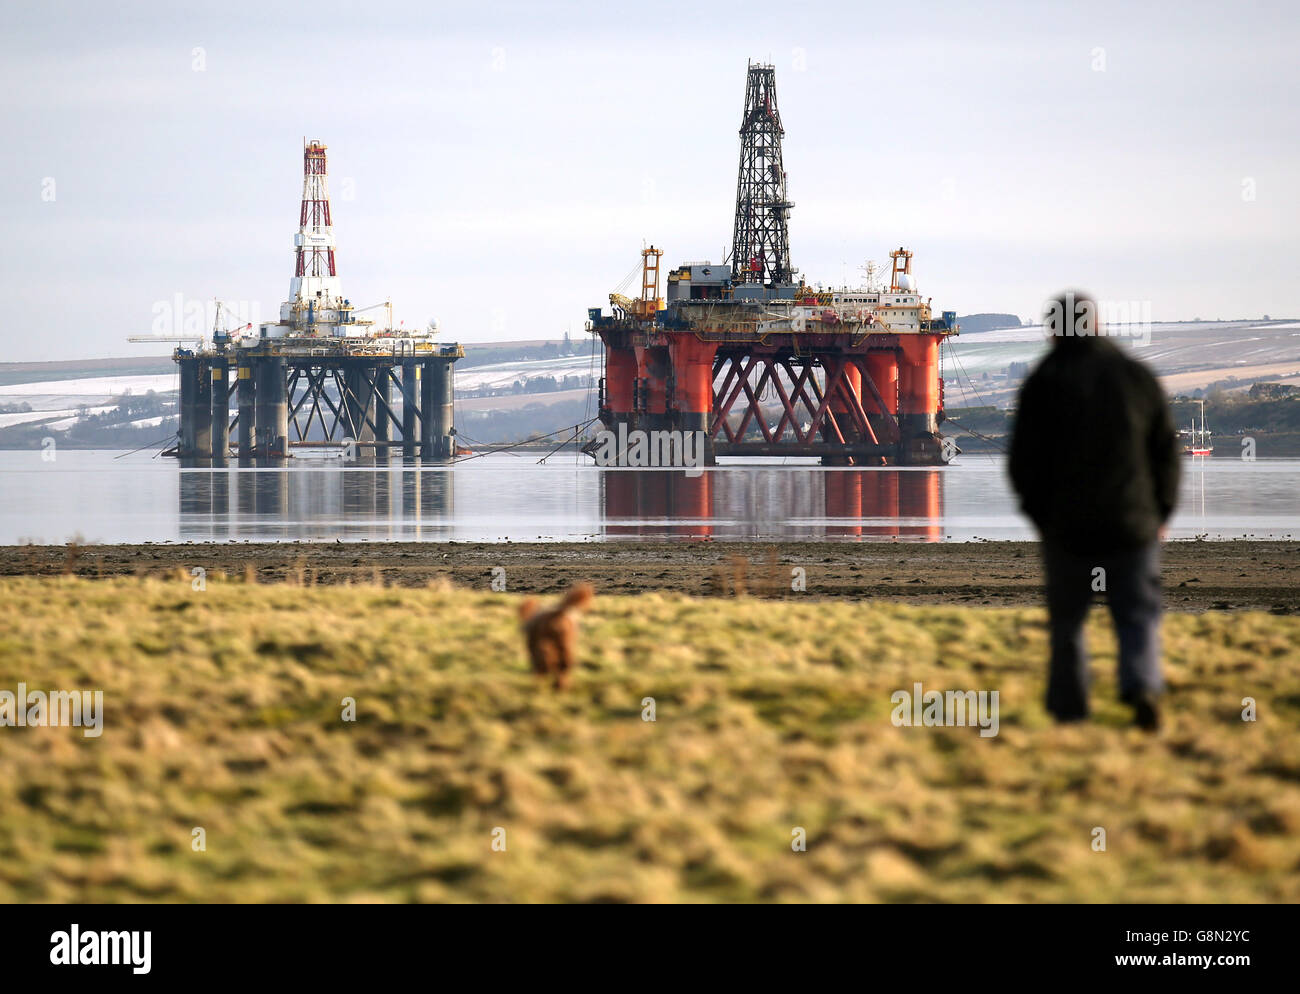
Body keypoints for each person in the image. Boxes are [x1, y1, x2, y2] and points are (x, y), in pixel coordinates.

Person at [1009, 291, 1181, 730]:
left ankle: (1069, 709)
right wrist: (1160, 513)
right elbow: (1166, 453)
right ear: (1098, 324)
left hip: (1067, 527)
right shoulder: (1136, 376)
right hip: (1132, 522)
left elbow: (1022, 462)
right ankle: (1140, 687)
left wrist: (1039, 516)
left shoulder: (1043, 382)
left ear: (1053, 329)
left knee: (1067, 621)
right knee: (1137, 614)